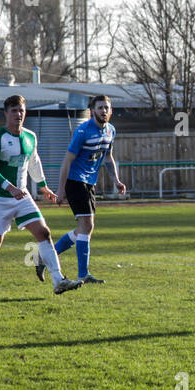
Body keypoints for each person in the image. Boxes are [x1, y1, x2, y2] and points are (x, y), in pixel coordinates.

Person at [0, 94, 82, 299]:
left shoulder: (30, 136)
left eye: (21, 110)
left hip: (22, 197)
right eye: (14, 111)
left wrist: (43, 187)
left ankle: (58, 280)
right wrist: (9, 187)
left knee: (44, 232)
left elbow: (34, 162)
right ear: (6, 113)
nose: (18, 114)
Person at [45, 94, 127, 285]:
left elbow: (108, 157)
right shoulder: (82, 131)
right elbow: (67, 160)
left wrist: (116, 180)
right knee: (87, 226)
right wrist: (61, 190)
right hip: (75, 181)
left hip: (90, 182)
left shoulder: (111, 131)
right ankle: (83, 274)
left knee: (84, 228)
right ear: (92, 111)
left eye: (106, 107)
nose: (104, 111)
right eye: (100, 108)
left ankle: (47, 257)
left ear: (111, 111)